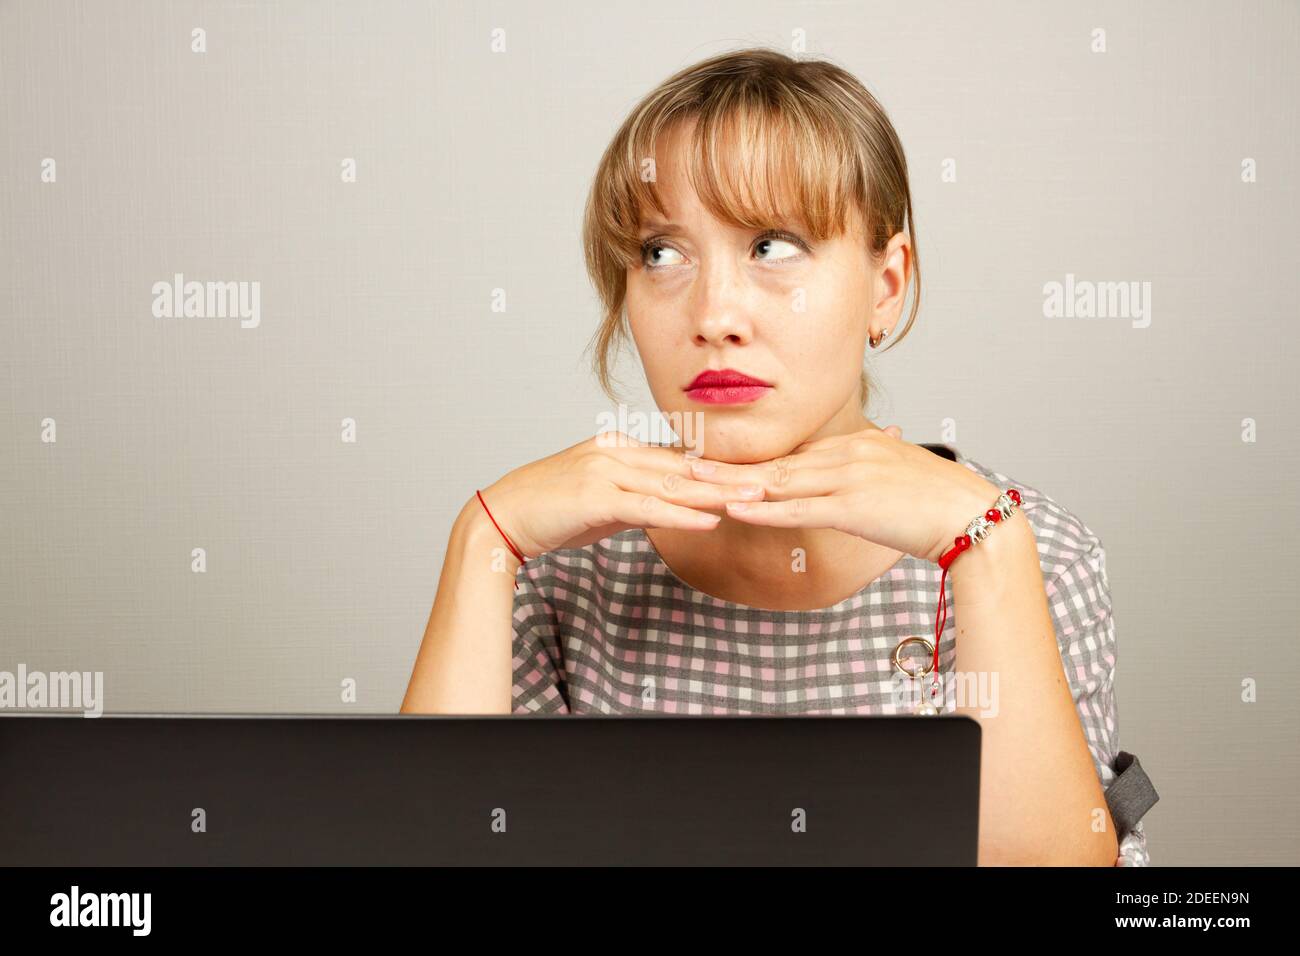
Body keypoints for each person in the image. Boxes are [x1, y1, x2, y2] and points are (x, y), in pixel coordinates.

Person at [402, 47, 1150, 866]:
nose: (714, 315)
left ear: (887, 285)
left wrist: (990, 552)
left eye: (773, 245)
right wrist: (482, 540)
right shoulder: (562, 575)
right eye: (661, 253)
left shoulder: (1029, 547)